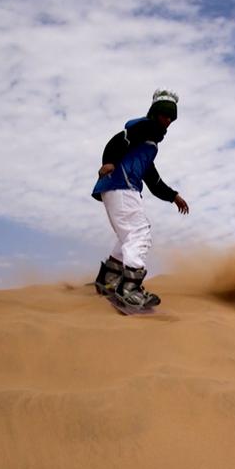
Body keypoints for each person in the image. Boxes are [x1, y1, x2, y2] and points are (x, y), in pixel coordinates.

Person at [92, 89, 189, 308]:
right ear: (155, 114)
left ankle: (109, 278)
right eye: (165, 115)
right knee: (139, 234)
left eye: (172, 117)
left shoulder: (148, 145)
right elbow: (119, 140)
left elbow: (153, 180)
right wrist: (109, 161)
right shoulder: (145, 127)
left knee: (129, 236)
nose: (168, 121)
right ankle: (130, 289)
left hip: (119, 188)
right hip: (121, 185)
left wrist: (173, 196)